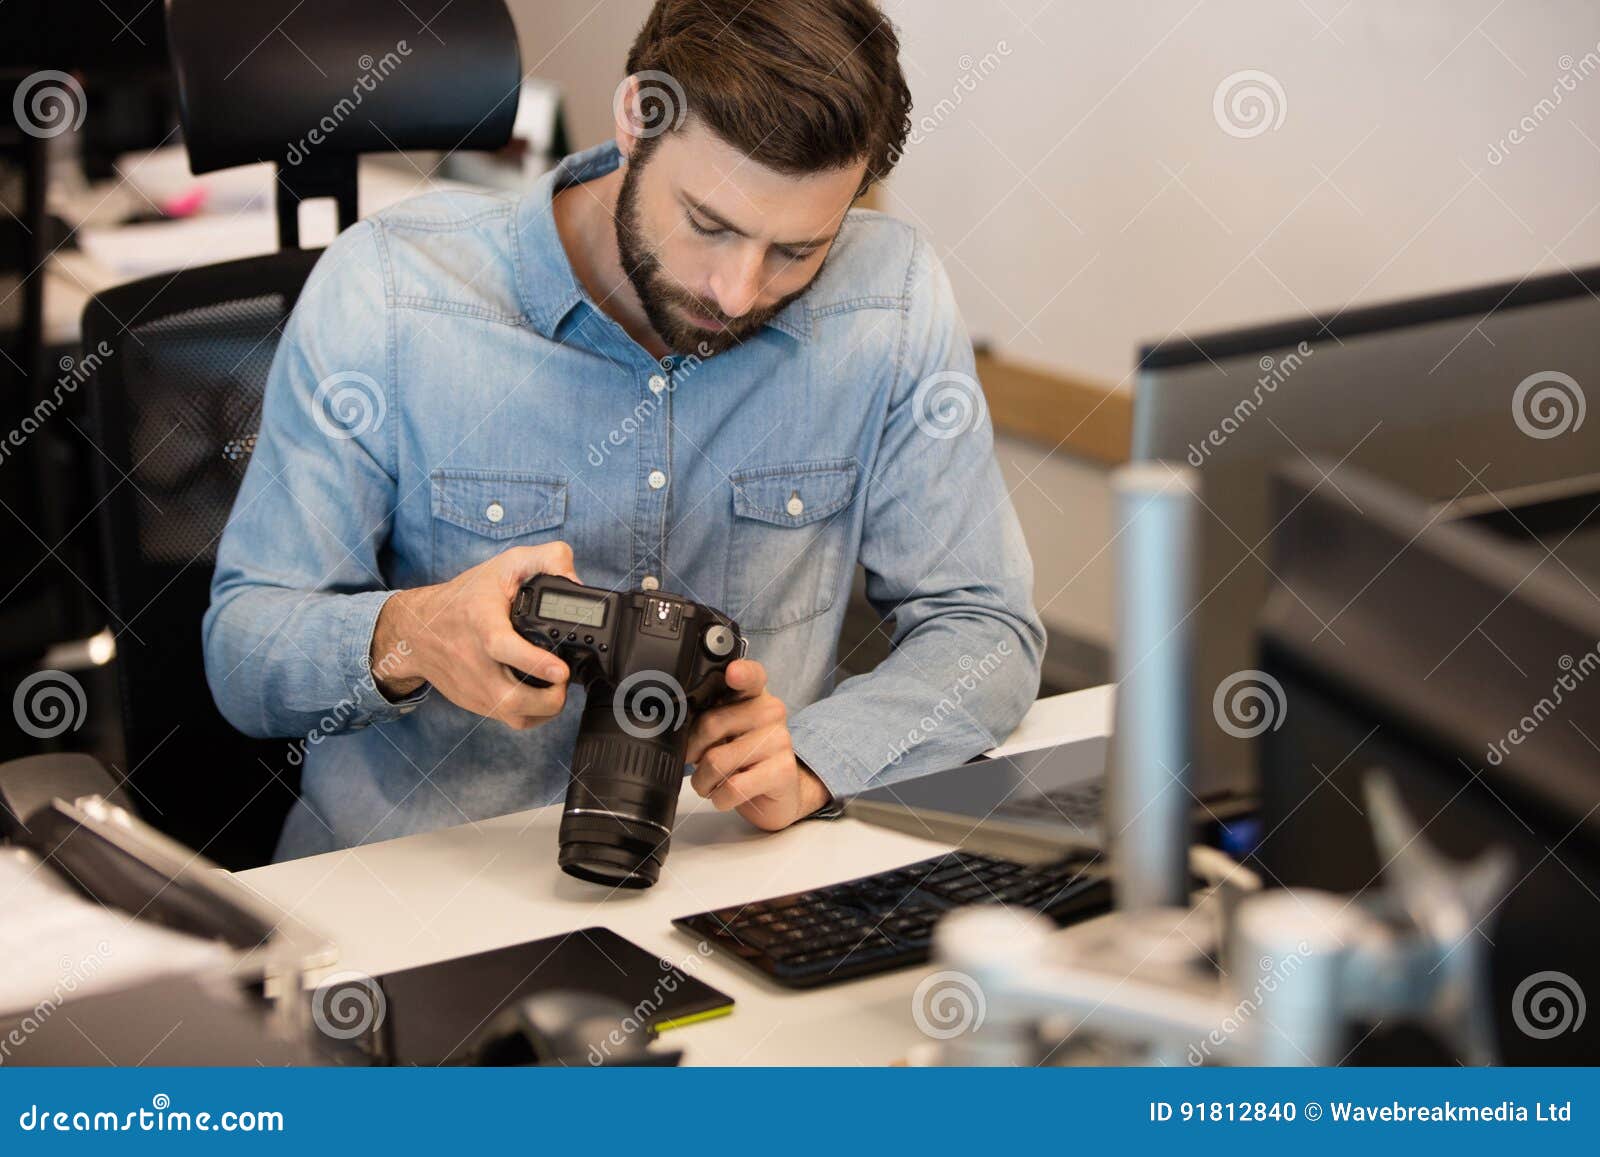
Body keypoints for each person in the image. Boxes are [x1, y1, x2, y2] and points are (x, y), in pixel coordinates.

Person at [204, 0, 1045, 860]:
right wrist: (411, 632)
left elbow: (984, 627)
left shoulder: (889, 298)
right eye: (709, 224)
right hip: (415, 883)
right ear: (636, 120)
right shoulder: (388, 288)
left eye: (797, 250)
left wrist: (820, 756)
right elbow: (243, 651)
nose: (737, 291)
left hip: (721, 881)